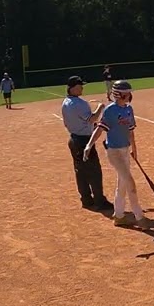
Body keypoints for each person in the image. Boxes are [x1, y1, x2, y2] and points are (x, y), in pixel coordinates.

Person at [83, 80, 146, 227]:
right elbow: (100, 129)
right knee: (130, 183)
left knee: (123, 184)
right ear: (119, 94)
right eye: (126, 93)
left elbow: (131, 131)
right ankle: (140, 217)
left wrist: (134, 149)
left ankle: (118, 216)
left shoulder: (129, 109)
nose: (129, 95)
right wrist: (89, 144)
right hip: (114, 153)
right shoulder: (110, 110)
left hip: (125, 151)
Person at [61, 76, 110, 211]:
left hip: (74, 139)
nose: (82, 88)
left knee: (80, 171)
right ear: (73, 87)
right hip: (84, 141)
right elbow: (92, 119)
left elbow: (67, 123)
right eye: (80, 86)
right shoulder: (80, 103)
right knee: (94, 171)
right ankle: (100, 201)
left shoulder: (65, 102)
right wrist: (100, 107)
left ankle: (86, 200)